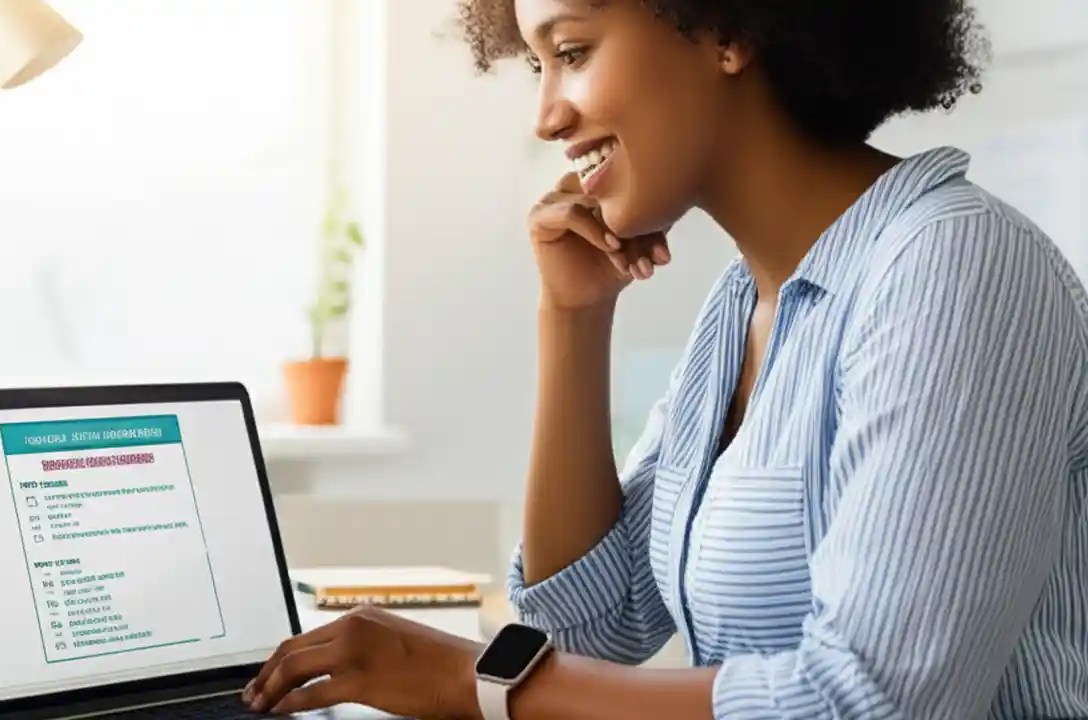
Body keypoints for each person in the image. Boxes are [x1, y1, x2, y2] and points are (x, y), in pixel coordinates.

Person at [243, 0, 1088, 717]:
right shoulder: (741, 307)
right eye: (537, 65)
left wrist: (472, 682)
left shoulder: (958, 267)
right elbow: (587, 629)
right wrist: (574, 316)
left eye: (572, 53)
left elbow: (871, 702)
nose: (546, 116)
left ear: (727, 28)